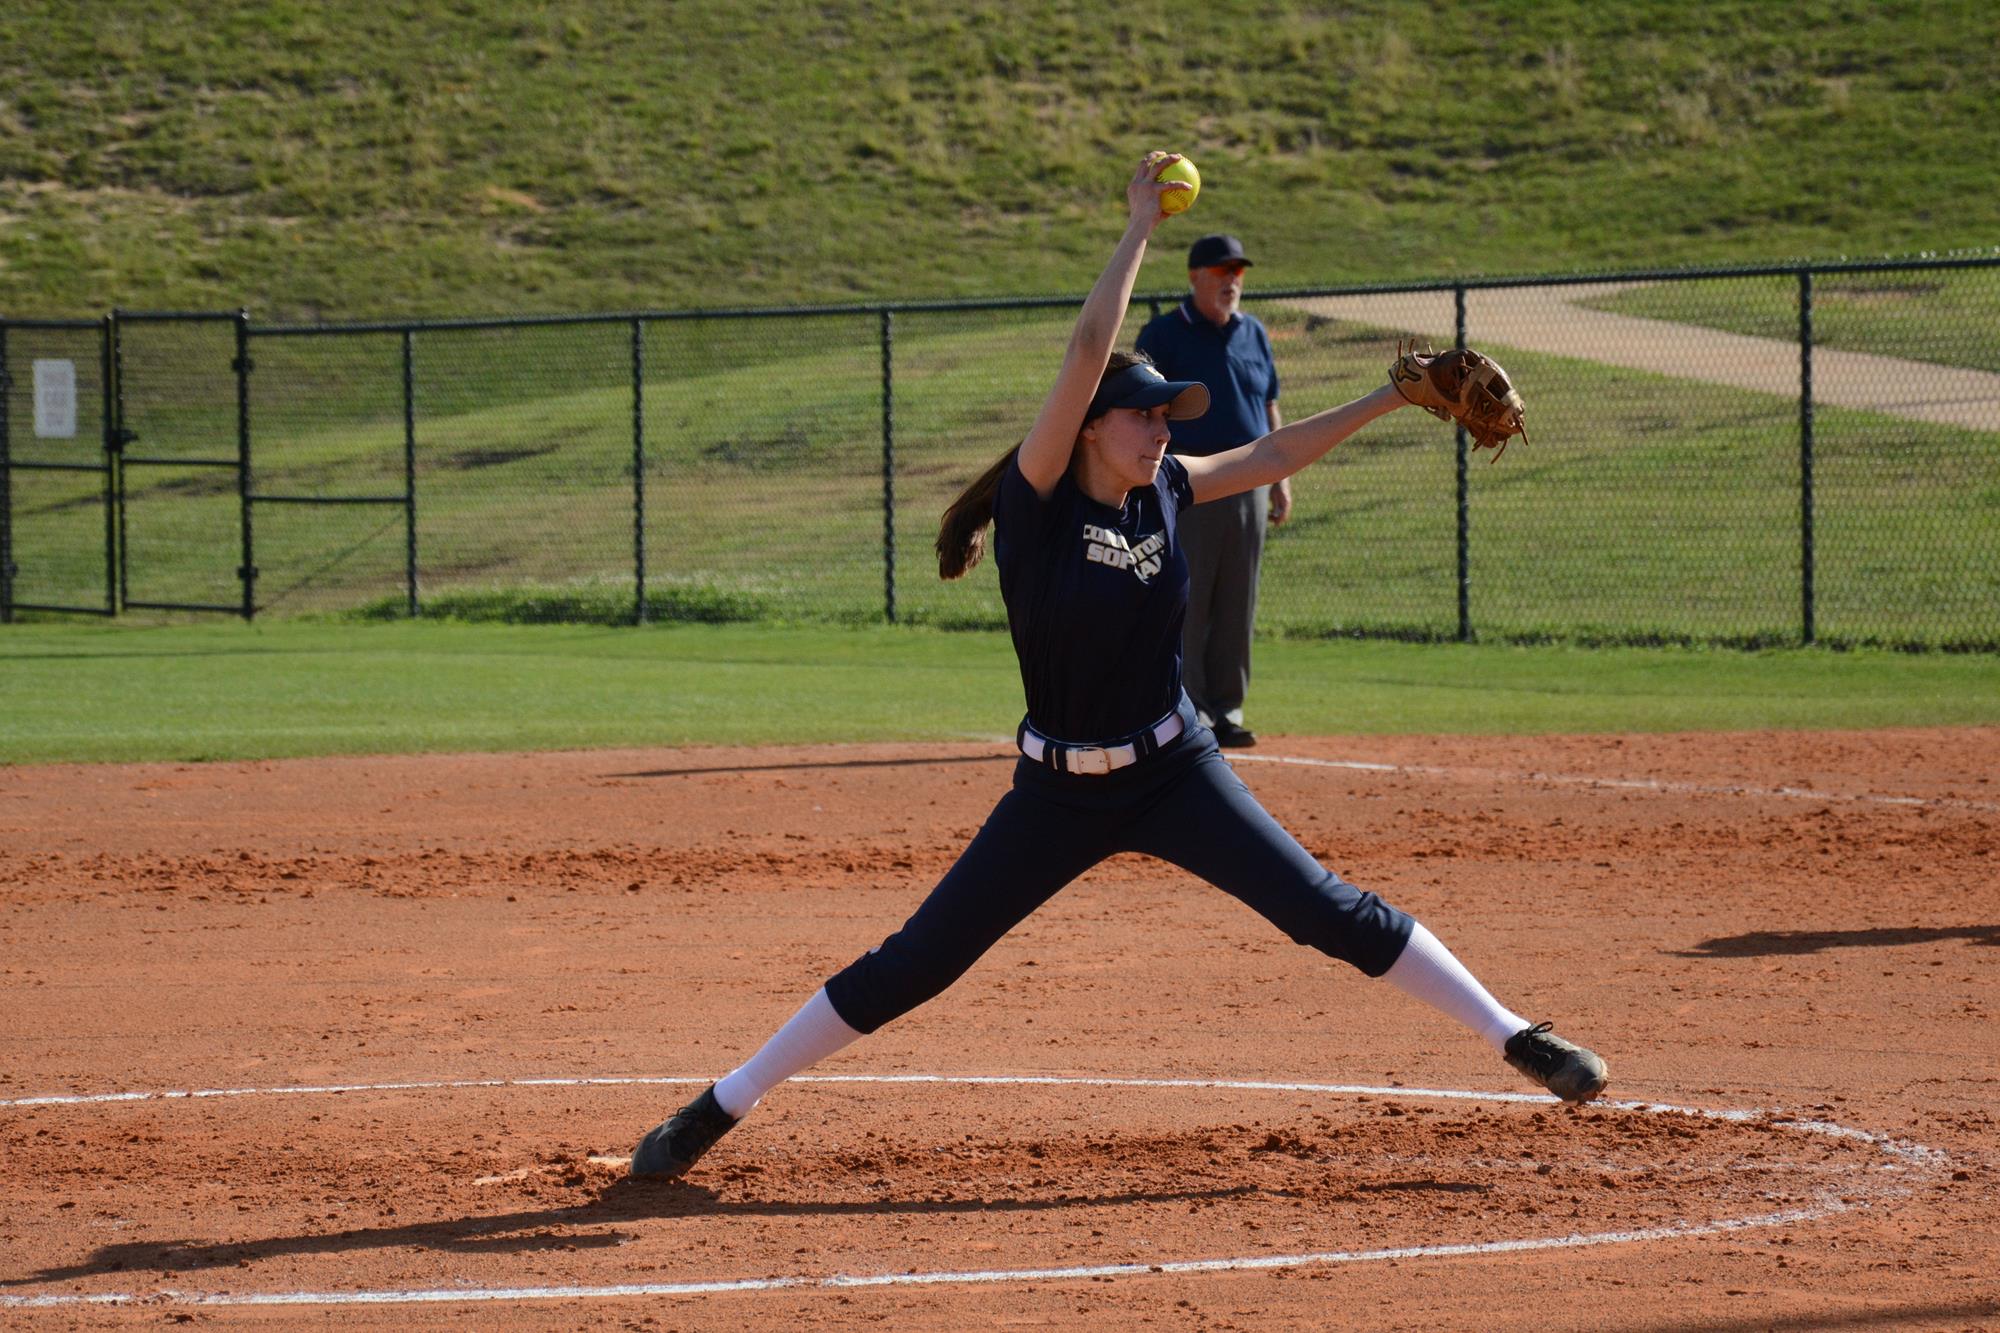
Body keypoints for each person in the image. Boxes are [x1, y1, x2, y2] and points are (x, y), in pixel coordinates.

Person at [630, 153, 1606, 1181]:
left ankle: (1517, 1037)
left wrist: (1385, 396)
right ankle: (714, 1108)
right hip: (1054, 792)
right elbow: (1091, 344)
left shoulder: (1164, 489)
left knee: (1327, 910)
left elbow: (1266, 460)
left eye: (1163, 417)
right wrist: (1139, 223)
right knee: (914, 963)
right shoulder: (1037, 506)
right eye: (1144, 414)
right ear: (1088, 425)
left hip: (1173, 768)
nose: (1161, 428)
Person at [1136, 233, 1282, 748]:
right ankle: (1187, 710)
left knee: (1238, 599)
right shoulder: (1165, 334)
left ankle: (1227, 708)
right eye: (1222, 272)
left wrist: (1281, 480)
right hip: (1188, 484)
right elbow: (1138, 409)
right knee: (1187, 598)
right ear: (1195, 276)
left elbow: (1267, 406)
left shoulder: (1254, 334)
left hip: (1251, 483)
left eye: (1237, 272)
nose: (1232, 282)